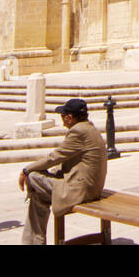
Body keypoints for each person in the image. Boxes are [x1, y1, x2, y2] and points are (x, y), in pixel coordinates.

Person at [18, 98, 107, 245]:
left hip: (82, 190)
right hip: (91, 187)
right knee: (39, 196)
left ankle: (33, 241)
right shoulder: (89, 128)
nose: (62, 120)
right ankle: (33, 241)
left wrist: (26, 170)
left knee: (33, 177)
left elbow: (55, 156)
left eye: (63, 116)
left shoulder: (78, 131)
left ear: (70, 118)